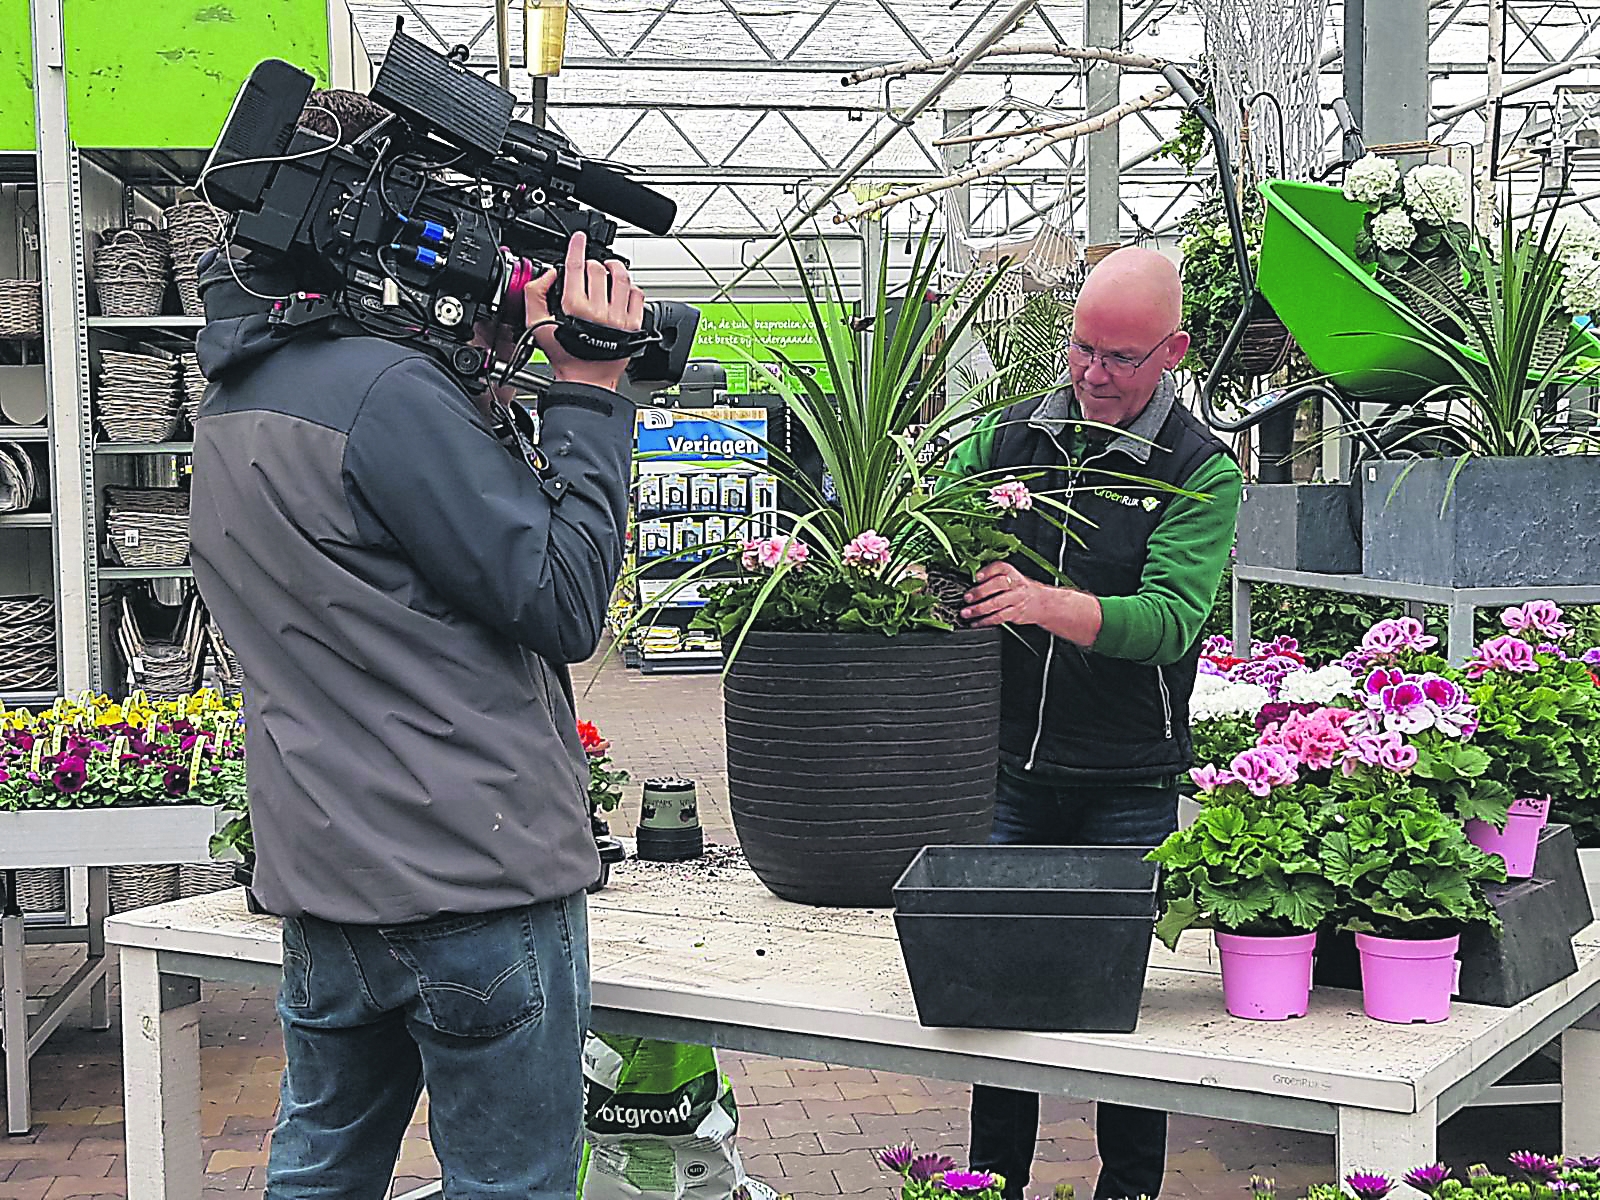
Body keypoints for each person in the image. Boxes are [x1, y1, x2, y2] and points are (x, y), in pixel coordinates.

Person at [187, 91, 645, 1200]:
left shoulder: (237, 396)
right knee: (510, 1184)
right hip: (471, 890)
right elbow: (564, 597)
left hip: (329, 884)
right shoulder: (389, 393)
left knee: (320, 1170)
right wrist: (586, 395)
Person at [951, 247, 1243, 1200]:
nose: (1093, 375)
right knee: (996, 991)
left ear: (1174, 353)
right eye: (1083, 350)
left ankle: (1130, 1188)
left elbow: (1168, 623)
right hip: (1007, 772)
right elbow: (926, 520)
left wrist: (1044, 604)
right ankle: (990, 1183)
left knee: (1121, 1010)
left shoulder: (1199, 471)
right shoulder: (1009, 438)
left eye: (1121, 358)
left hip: (1126, 779)